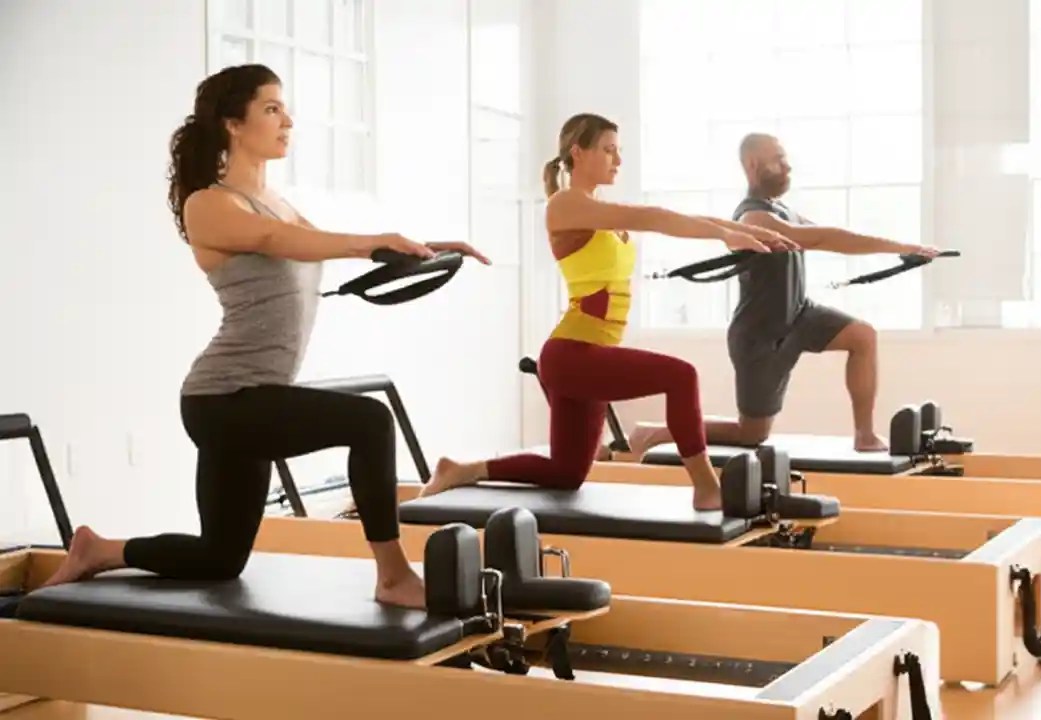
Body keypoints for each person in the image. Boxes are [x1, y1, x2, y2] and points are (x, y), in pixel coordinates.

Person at [41, 64, 489, 609]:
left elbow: (311, 239)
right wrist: (371, 241)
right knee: (371, 422)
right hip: (223, 399)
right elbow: (280, 240)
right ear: (233, 123)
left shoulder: (281, 203)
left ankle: (98, 549)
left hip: (249, 400)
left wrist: (431, 249)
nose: (288, 120)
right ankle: (393, 576)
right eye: (272, 109)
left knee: (220, 558)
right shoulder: (209, 204)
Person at [418, 113, 795, 510]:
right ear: (578, 153)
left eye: (619, 151)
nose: (617, 159)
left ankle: (462, 469)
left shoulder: (596, 208)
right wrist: (724, 233)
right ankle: (705, 487)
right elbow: (652, 217)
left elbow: (664, 215)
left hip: (581, 358)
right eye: (608, 149)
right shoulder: (565, 205)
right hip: (573, 354)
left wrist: (746, 230)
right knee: (681, 376)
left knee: (566, 473)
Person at [627, 133, 941, 455]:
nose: (787, 166)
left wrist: (905, 250)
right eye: (778, 159)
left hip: (800, 315)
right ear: (752, 164)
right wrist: (901, 248)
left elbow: (837, 238)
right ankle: (657, 432)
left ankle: (865, 435)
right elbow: (818, 239)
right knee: (752, 434)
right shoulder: (753, 216)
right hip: (760, 334)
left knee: (862, 336)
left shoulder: (781, 211)